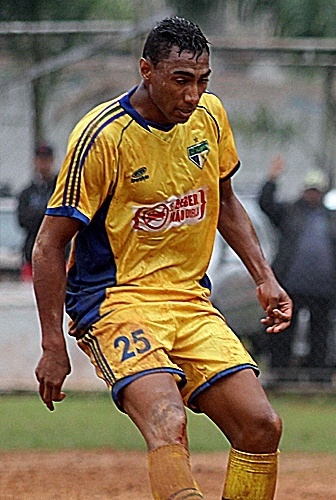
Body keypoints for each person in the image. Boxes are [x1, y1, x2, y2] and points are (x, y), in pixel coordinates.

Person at [32, 17, 292, 500]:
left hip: (190, 303)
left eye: (202, 81)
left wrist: (265, 277)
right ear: (146, 70)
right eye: (181, 80)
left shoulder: (210, 117)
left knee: (261, 426)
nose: (193, 95)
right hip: (115, 303)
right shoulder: (102, 136)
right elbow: (49, 245)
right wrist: (52, 345)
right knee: (168, 420)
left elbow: (226, 202)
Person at [258, 155, 336, 384]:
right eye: (310, 190)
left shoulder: (335, 218)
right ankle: (282, 377)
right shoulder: (289, 212)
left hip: (324, 290)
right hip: (290, 287)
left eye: (317, 191)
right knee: (284, 333)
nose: (313, 194)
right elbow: (265, 204)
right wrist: (272, 178)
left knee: (321, 334)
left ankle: (319, 378)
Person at [16, 142, 58, 281]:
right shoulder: (27, 192)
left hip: (58, 255)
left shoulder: (60, 189)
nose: (43, 164)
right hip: (32, 254)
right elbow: (22, 220)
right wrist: (46, 215)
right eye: (40, 160)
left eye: (46, 160)